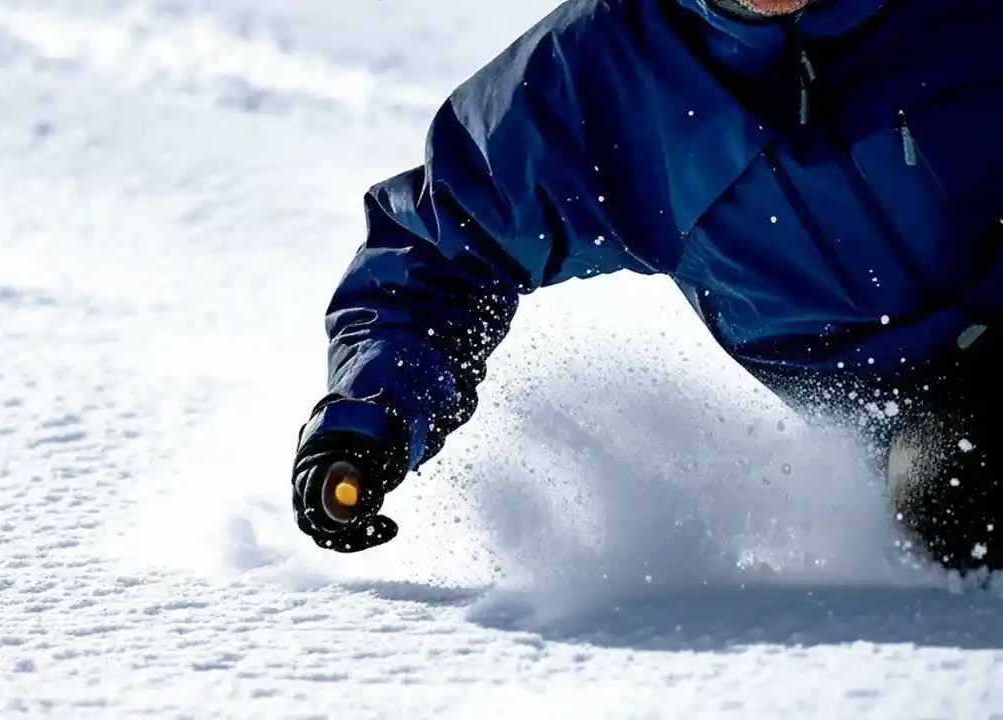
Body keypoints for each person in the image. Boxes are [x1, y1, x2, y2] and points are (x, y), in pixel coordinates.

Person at [290, 0, 1003, 568]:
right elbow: (440, 247)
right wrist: (370, 419)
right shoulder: (609, 72)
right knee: (957, 483)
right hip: (905, 415)